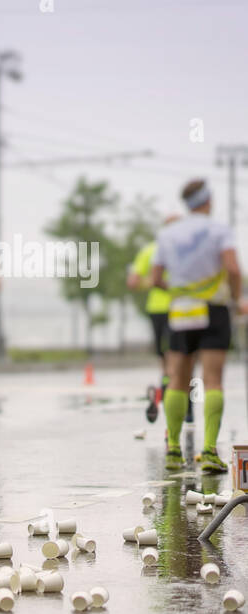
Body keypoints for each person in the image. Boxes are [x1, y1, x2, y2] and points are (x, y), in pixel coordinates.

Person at [150, 179, 244, 473]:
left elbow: (155, 278)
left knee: (178, 378)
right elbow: (232, 268)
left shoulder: (168, 233)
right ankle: (209, 452)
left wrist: (180, 290)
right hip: (214, 309)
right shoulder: (218, 230)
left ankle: (174, 451)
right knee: (213, 380)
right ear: (208, 200)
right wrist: (237, 298)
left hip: (181, 310)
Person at [126, 215, 181, 424]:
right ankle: (177, 393)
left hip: (157, 308)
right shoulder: (185, 250)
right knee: (182, 355)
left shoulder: (150, 250)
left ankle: (165, 386)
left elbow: (133, 282)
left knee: (165, 355)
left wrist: (151, 282)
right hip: (182, 307)